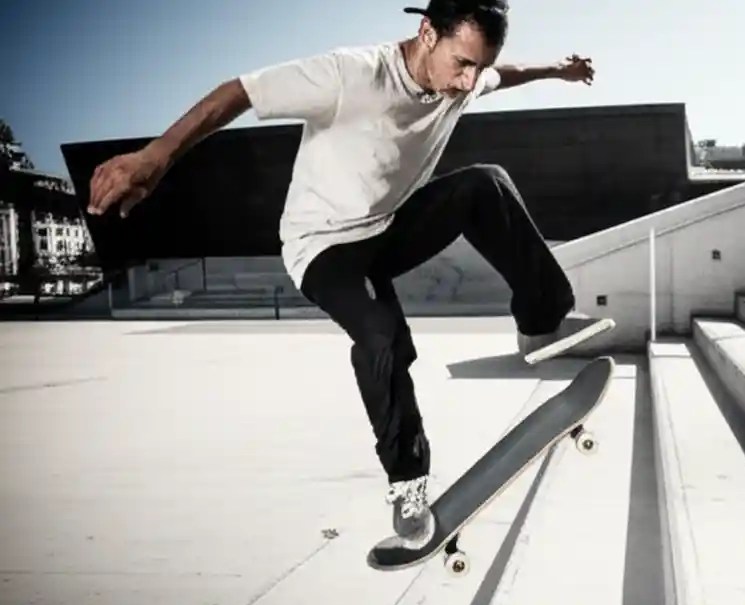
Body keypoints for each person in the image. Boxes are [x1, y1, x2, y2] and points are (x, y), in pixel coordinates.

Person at [86, 0, 613, 546]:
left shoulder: (467, 76)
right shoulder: (350, 74)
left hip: (386, 228)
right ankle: (408, 485)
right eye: (461, 63)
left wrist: (560, 69)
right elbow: (238, 91)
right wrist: (156, 155)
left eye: (478, 67)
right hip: (324, 248)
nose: (467, 81)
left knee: (487, 184)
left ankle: (541, 321)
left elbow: (507, 75)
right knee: (383, 336)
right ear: (427, 32)